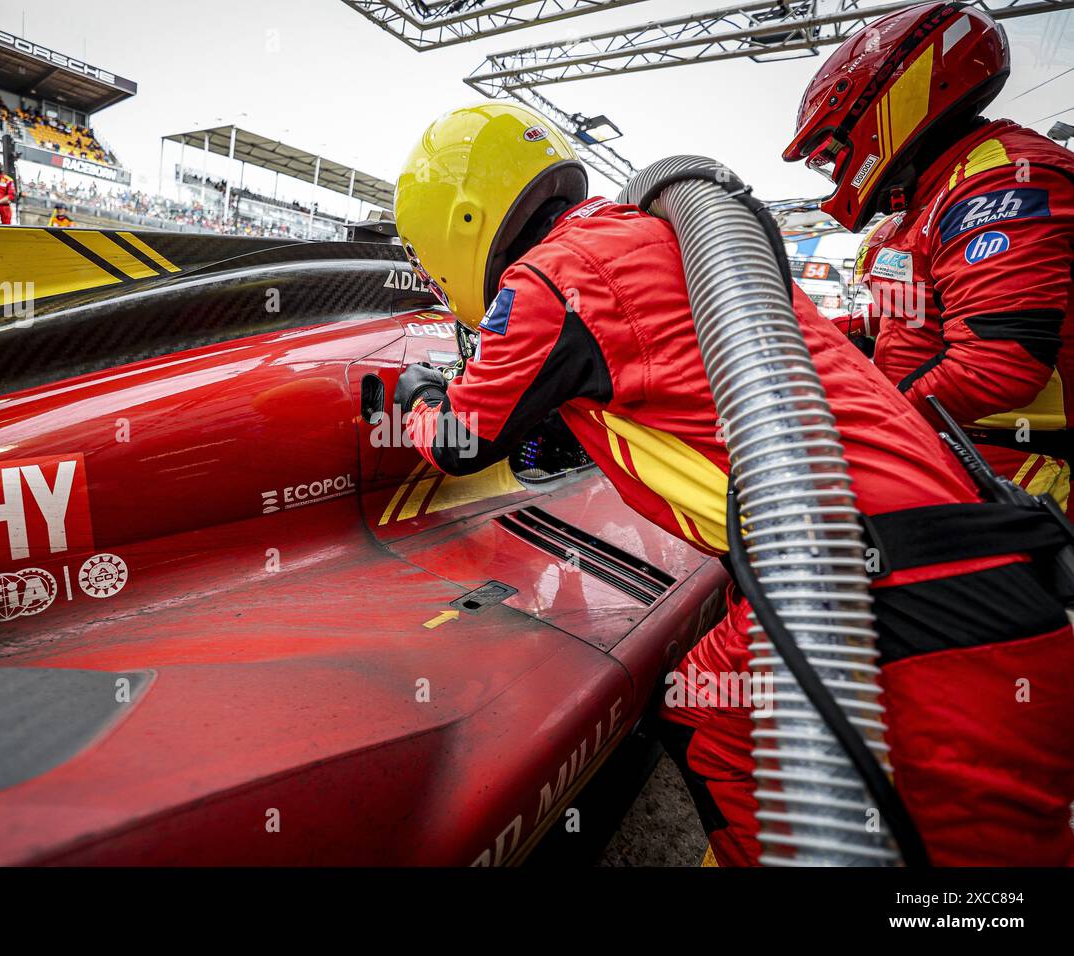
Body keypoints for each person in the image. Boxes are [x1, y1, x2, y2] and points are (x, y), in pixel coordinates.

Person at [393, 101, 1074, 866]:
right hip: (965, 562)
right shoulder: (671, 240)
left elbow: (460, 439)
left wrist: (413, 395)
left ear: (460, 219)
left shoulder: (551, 276)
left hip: (883, 592)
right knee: (701, 710)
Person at [782, 2, 1074, 513]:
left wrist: (868, 423)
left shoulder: (999, 179)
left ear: (881, 107)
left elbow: (996, 365)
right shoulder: (933, 196)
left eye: (831, 152)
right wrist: (809, 335)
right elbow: (908, 316)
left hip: (1029, 473)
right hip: (959, 451)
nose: (832, 171)